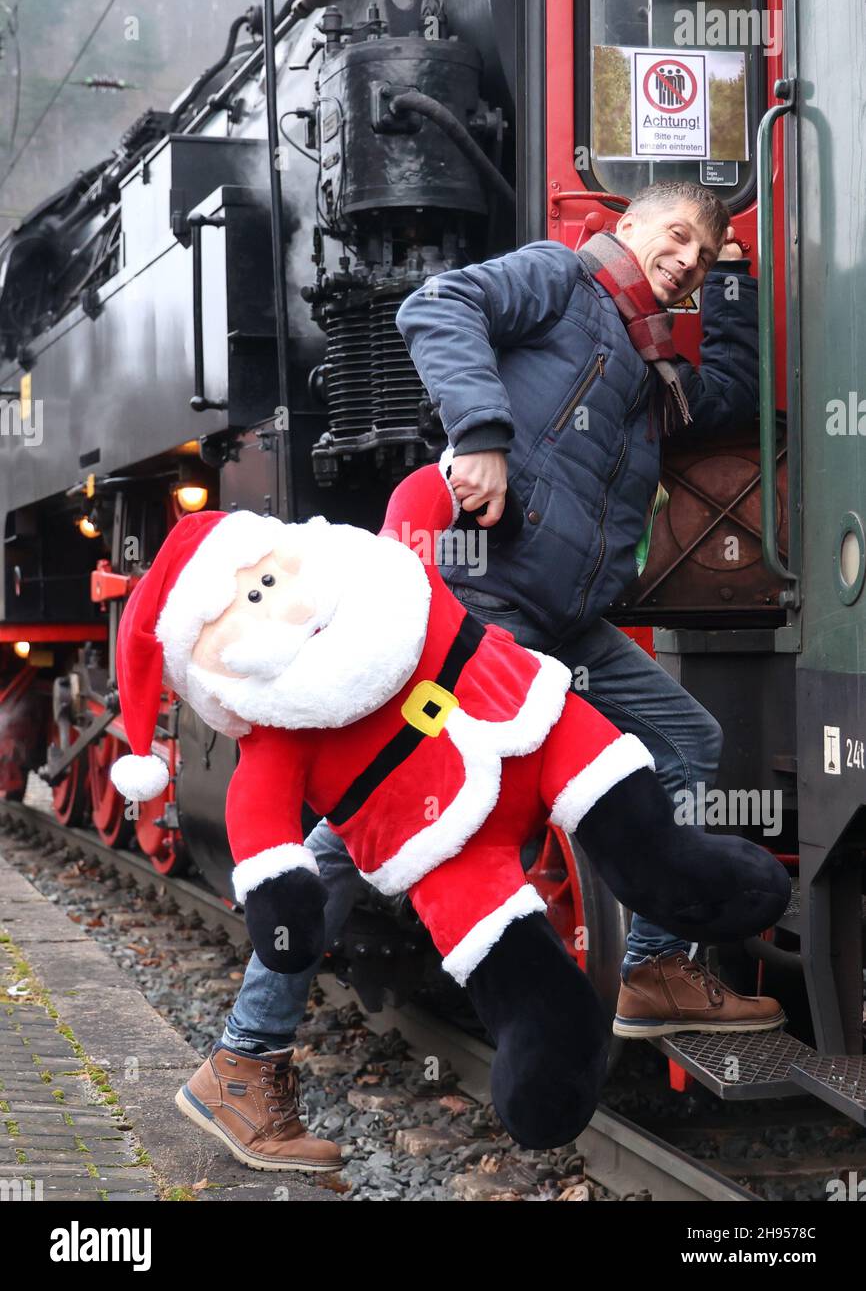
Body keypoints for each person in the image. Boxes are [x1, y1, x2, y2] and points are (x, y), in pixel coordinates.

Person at [179, 180, 785, 1170]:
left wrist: (729, 288)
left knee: (685, 739)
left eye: (701, 250)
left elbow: (724, 392)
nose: (683, 255)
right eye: (675, 235)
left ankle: (651, 967)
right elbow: (436, 305)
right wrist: (480, 436)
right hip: (475, 608)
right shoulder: (559, 276)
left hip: (563, 623)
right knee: (378, 826)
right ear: (624, 226)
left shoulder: (645, 361)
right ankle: (243, 1060)